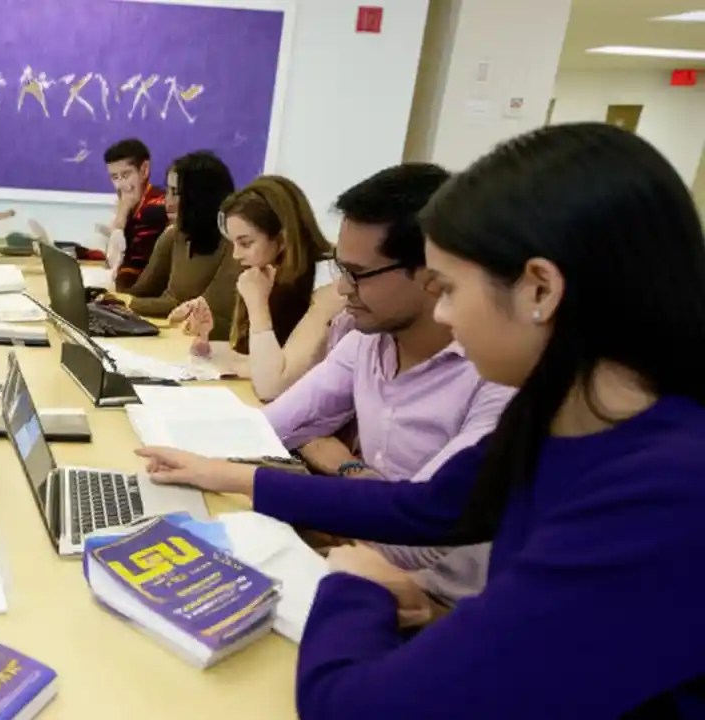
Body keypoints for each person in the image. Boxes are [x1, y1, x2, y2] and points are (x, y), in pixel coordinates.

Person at [139, 123, 705, 717]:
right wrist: (228, 476)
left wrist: (353, 586)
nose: (442, 313)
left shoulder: (662, 496)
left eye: (451, 289)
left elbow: (347, 707)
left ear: (540, 288)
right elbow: (426, 508)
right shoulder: (563, 413)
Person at [250, 164, 513, 608]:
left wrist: (327, 489)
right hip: (363, 559)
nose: (343, 288)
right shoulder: (366, 343)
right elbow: (267, 429)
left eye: (358, 273)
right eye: (340, 268)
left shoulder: (498, 376)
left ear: (432, 274)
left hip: (443, 607)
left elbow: (414, 535)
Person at [171, 176, 342, 401]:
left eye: (246, 243)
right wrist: (208, 344)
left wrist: (257, 305)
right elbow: (258, 358)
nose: (236, 254)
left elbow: (271, 385)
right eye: (234, 243)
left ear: (282, 239)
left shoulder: (330, 283)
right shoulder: (272, 271)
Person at [125, 151, 240, 333]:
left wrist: (128, 304)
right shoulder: (174, 235)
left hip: (206, 346)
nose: (166, 202)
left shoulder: (234, 245)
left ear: (201, 198)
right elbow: (140, 291)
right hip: (174, 336)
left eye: (176, 193)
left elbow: (204, 312)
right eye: (167, 191)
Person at [100, 138, 168, 290]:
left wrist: (121, 217)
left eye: (126, 175)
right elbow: (111, 262)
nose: (121, 186)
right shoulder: (132, 206)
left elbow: (130, 274)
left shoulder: (155, 210)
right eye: (114, 177)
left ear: (144, 170)